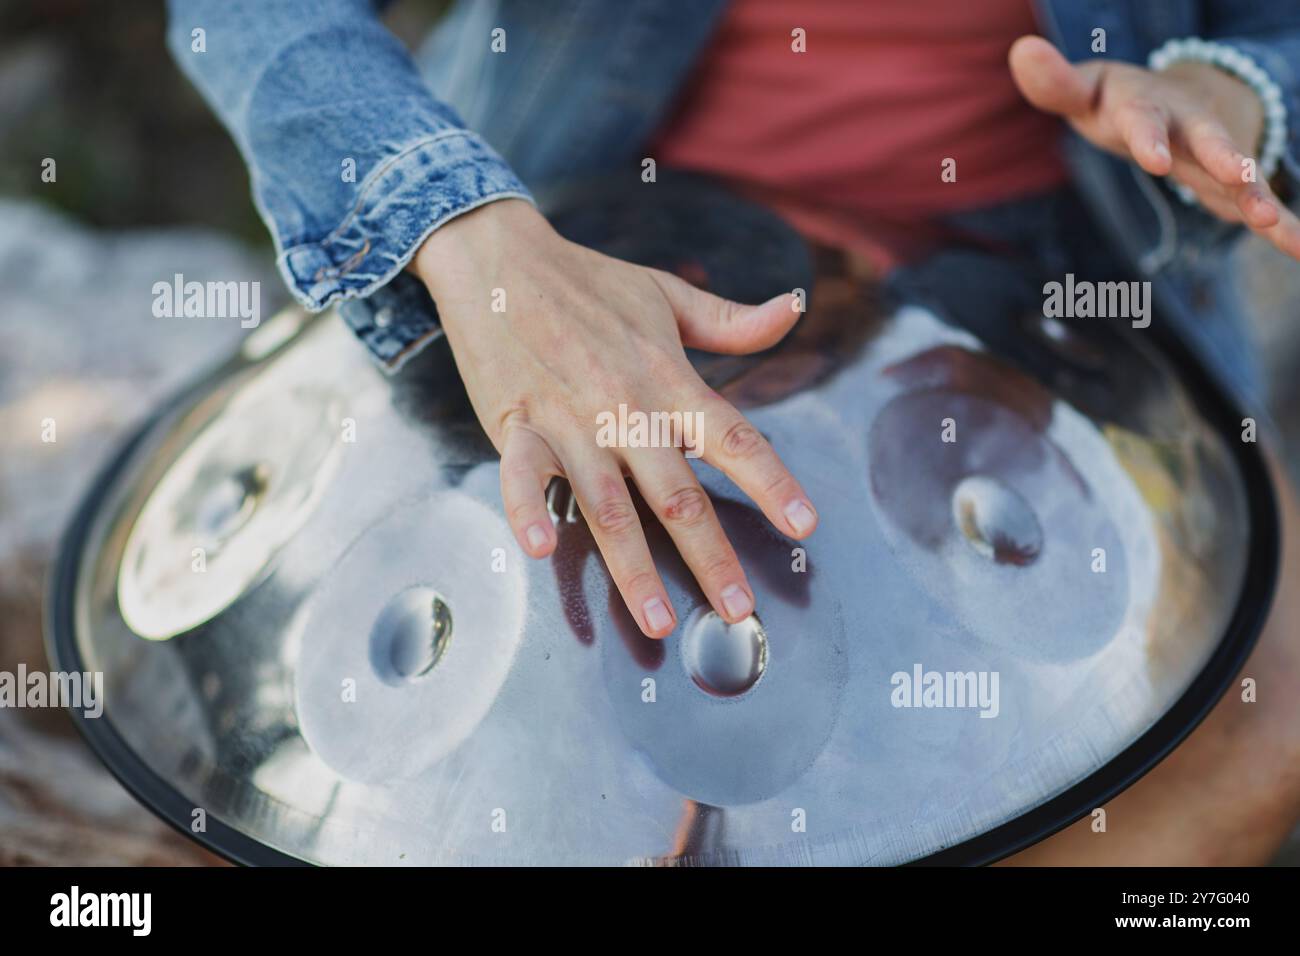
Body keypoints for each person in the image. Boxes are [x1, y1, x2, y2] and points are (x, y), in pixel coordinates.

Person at [167, 0, 1300, 864]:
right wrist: (457, 228)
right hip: (570, 237)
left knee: (1250, 725)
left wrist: (1241, 84)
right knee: (565, 796)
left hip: (1032, 272)